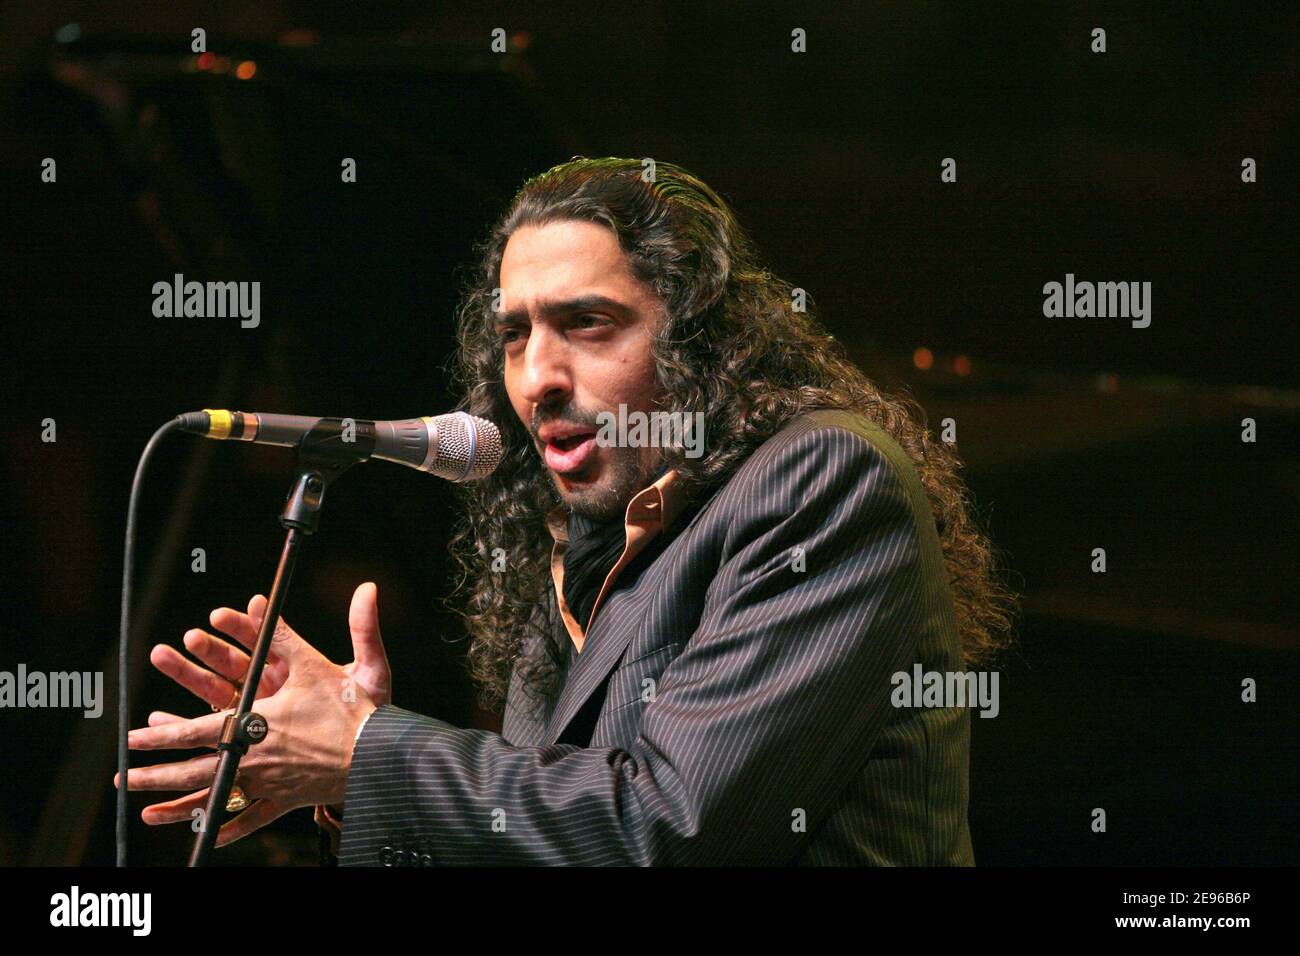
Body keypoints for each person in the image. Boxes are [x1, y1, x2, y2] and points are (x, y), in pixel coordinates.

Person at [117, 158, 1016, 865]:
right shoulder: (573, 544)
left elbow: (669, 828)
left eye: (587, 323)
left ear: (698, 341)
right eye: (515, 334)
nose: (537, 377)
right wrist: (350, 782)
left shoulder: (824, 479)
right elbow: (544, 843)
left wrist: (371, 752)